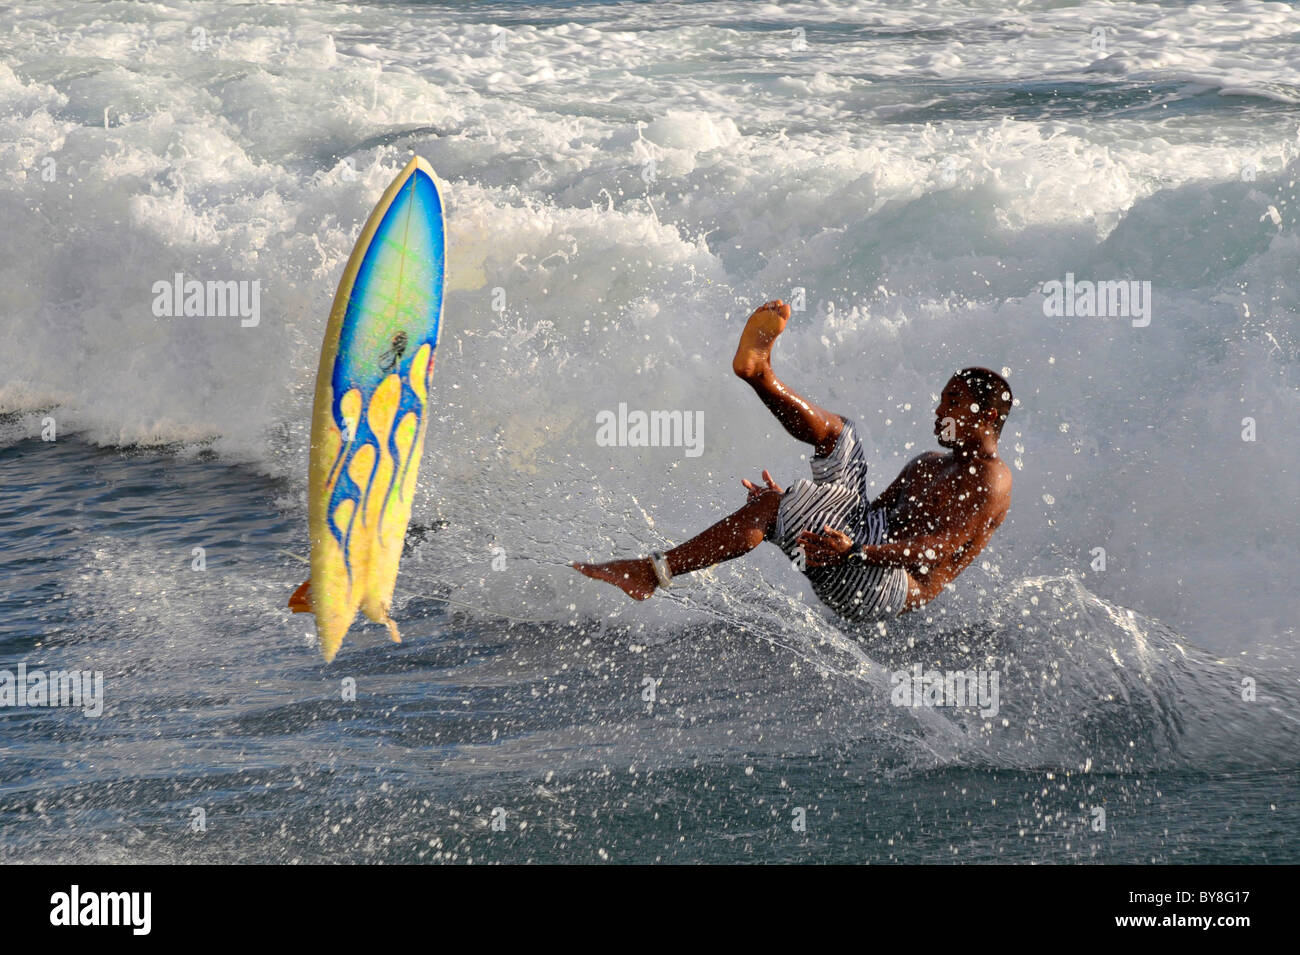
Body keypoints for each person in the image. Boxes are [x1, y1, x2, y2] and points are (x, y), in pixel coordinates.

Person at [573, 300, 1013, 621]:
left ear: (987, 414)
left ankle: (653, 573)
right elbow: (870, 512)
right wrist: (816, 512)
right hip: (854, 550)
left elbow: (936, 550)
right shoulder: (929, 464)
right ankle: (761, 375)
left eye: (952, 403)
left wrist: (856, 550)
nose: (939, 412)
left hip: (884, 588)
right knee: (842, 436)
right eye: (941, 401)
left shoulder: (991, 480)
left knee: (770, 511)